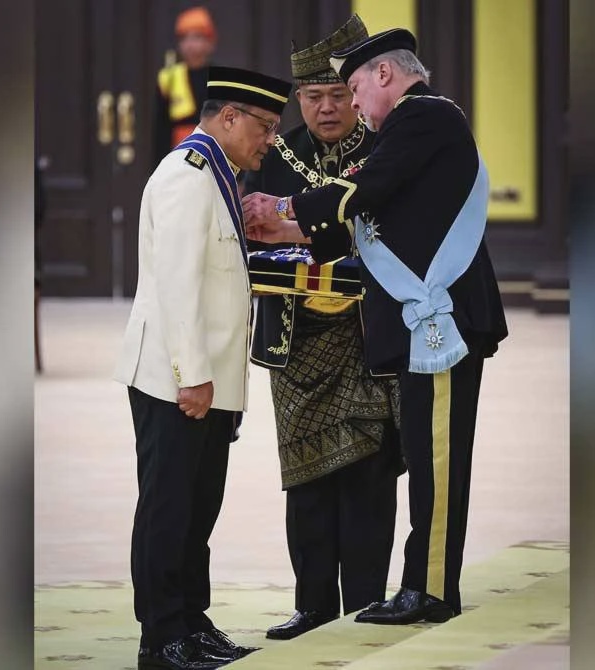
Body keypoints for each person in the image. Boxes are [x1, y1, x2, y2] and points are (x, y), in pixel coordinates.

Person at [243, 29, 508, 625]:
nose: (353, 104)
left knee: (436, 461)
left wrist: (285, 210)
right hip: (422, 323)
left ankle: (432, 589)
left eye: (355, 88)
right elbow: (376, 215)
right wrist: (292, 228)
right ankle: (420, 584)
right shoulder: (416, 124)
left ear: (384, 75)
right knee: (425, 455)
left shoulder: (422, 117)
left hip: (439, 322)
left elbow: (366, 190)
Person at [114, 65, 292, 670]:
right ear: (229, 117)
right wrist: (192, 374)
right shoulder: (186, 177)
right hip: (176, 379)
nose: (270, 140)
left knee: (198, 509)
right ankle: (160, 637)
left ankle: (191, 621)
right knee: (168, 509)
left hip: (205, 382)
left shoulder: (217, 174)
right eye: (264, 127)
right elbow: (177, 285)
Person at [241, 15, 404, 641]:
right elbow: (253, 235)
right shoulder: (276, 158)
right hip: (299, 338)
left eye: (338, 94)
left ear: (357, 93)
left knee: (367, 471)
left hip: (367, 336)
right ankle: (312, 604)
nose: (328, 108)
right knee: (305, 475)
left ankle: (367, 599)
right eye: (313, 98)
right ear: (297, 101)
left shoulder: (388, 147)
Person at [153, 7, 218, 165]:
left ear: (210, 42)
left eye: (196, 37)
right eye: (184, 38)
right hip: (178, 152)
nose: (190, 44)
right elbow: (160, 129)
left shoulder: (219, 77)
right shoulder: (170, 78)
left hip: (212, 150)